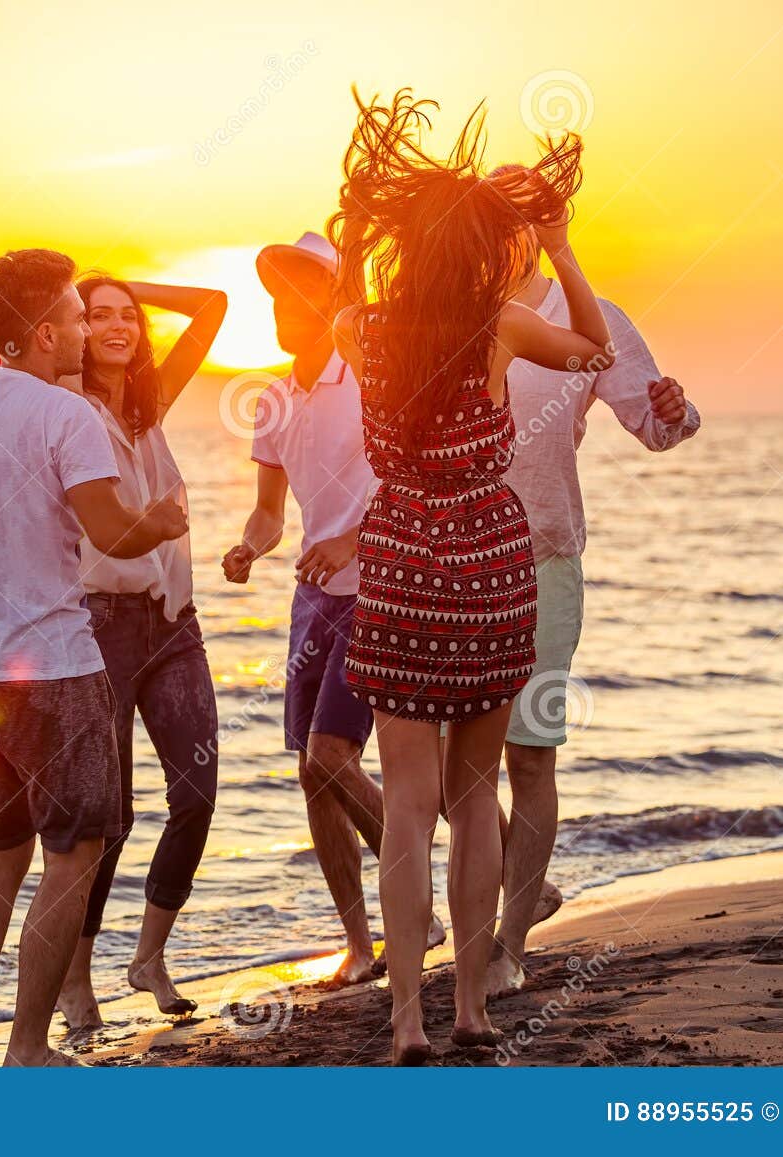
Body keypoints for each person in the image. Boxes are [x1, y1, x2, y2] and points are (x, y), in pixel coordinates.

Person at [327, 89, 613, 1064]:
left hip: (403, 556)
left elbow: (342, 293)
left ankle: (408, 1013)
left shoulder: (362, 330)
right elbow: (595, 348)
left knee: (406, 800)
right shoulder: (500, 324)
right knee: (473, 787)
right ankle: (473, 1008)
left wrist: (363, 235)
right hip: (491, 560)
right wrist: (562, 250)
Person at [0, 248, 187, 1066]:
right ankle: (28, 1046)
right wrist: (162, 520)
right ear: (49, 331)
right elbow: (112, 532)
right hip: (54, 666)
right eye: (76, 316)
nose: (88, 332)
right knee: (74, 854)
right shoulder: (69, 416)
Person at [482, 181, 701, 997]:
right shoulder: (449, 307)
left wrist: (671, 406)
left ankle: (505, 947)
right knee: (441, 771)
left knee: (528, 756)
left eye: (525, 219)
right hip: (456, 563)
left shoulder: (584, 311)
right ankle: (520, 882)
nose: (509, 232)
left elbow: (658, 422)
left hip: (544, 562)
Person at [222, 232, 445, 985]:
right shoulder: (275, 400)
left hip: (380, 589)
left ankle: (421, 902)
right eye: (276, 292)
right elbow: (268, 514)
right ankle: (360, 942)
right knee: (312, 774)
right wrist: (249, 548)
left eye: (297, 289)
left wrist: (354, 537)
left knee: (331, 756)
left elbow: (413, 479)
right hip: (313, 597)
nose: (282, 305)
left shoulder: (371, 379)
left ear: (330, 297)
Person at [55, 277, 229, 1028]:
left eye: (128, 314)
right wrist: (78, 290)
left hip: (173, 620)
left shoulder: (149, 402)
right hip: (101, 625)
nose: (118, 324)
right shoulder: (66, 406)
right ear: (76, 330)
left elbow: (215, 304)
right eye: (98, 315)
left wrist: (126, 278)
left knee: (197, 793)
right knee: (108, 815)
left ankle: (149, 955)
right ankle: (74, 980)